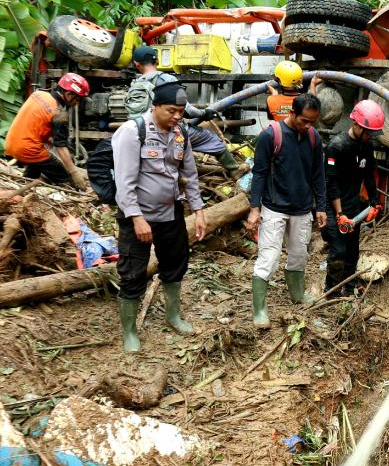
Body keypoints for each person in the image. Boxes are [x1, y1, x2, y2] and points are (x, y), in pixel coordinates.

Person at [111, 83, 206, 353]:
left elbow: (190, 176)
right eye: (171, 111)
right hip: (138, 214)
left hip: (171, 212)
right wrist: (137, 218)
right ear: (155, 107)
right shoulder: (132, 132)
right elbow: (125, 183)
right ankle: (129, 331)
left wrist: (198, 211)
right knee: (132, 272)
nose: (177, 117)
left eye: (181, 112)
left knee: (175, 264)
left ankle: (173, 316)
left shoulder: (181, 134)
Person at [246, 94, 326, 328]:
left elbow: (318, 174)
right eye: (304, 120)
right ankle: (259, 309)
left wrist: (320, 206)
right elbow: (259, 173)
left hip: (302, 209)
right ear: (292, 113)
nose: (308, 125)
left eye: (313, 121)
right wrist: (254, 208)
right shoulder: (271, 136)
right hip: (274, 207)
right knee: (268, 258)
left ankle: (297, 294)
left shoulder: (313, 137)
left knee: (299, 254)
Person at [127, 46, 245, 179]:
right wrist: (204, 113)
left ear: (136, 64)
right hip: (168, 132)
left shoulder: (135, 84)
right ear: (158, 61)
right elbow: (187, 110)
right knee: (210, 138)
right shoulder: (167, 79)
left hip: (142, 132)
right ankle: (234, 169)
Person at [322, 99, 384, 296]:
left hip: (353, 205)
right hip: (333, 206)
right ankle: (330, 292)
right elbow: (331, 183)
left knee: (352, 251)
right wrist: (339, 214)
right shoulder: (336, 146)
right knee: (338, 251)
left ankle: (348, 288)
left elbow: (369, 174)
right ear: (356, 124)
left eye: (372, 133)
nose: (370, 136)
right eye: (367, 132)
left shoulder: (366, 145)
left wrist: (374, 201)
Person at [5, 73, 90, 189]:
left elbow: (37, 125)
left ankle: (26, 185)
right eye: (78, 99)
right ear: (69, 95)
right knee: (63, 175)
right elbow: (60, 146)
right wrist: (74, 172)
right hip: (28, 148)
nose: (77, 103)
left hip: (10, 144)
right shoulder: (59, 113)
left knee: (39, 162)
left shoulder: (39, 94)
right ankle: (75, 195)